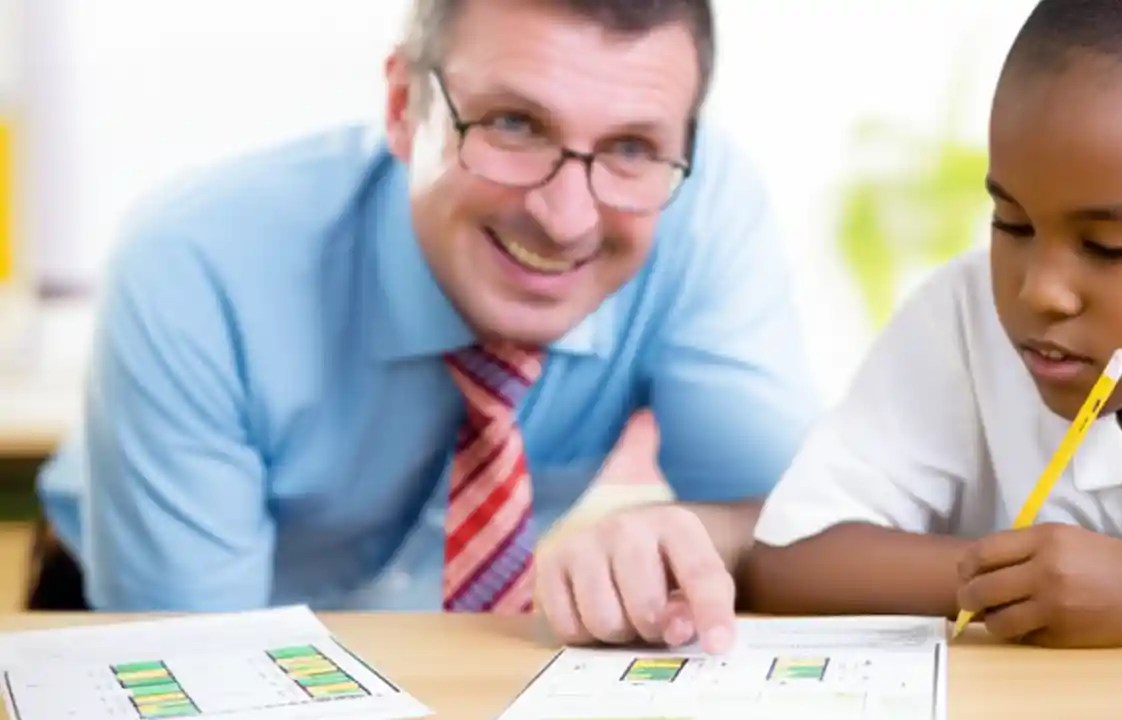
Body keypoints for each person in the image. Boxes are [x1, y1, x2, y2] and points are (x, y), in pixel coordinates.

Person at [34, 0, 817, 653]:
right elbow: (204, 670)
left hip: (472, 657)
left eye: (632, 146)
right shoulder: (197, 263)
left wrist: (673, 533)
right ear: (403, 108)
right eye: (514, 124)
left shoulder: (700, 213)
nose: (567, 219)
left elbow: (791, 526)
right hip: (162, 624)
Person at [741, 0, 1122, 649]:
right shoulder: (962, 318)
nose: (1039, 290)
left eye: (1108, 247)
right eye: (1012, 224)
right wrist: (1044, 584)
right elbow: (794, 556)